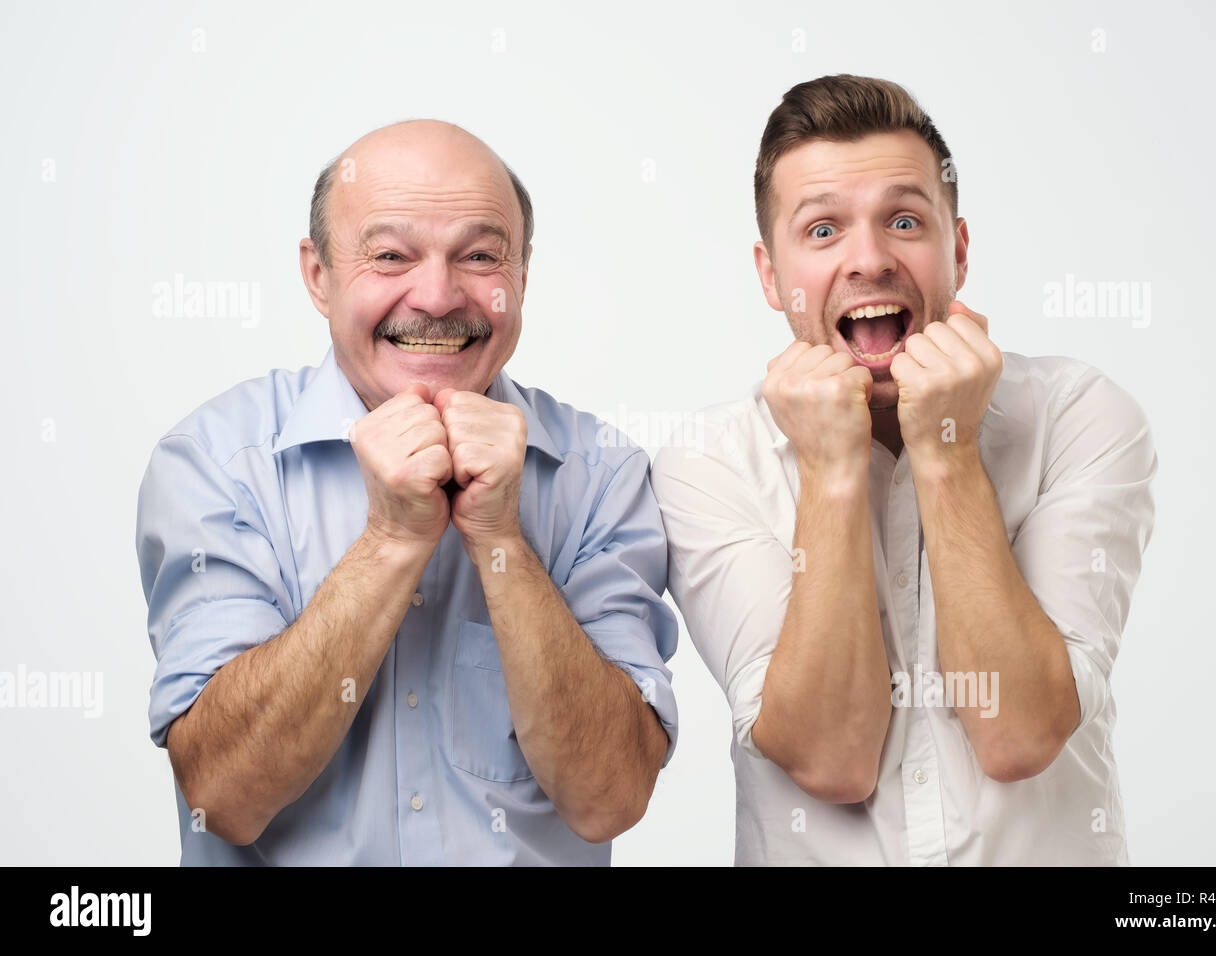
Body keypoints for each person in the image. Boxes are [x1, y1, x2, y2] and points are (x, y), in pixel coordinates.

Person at [135, 120, 678, 865]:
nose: (436, 295)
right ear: (319, 275)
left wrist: (501, 543)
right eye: (391, 256)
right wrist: (392, 542)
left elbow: (610, 796)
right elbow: (221, 796)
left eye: (479, 255)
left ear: (520, 277)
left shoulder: (601, 473)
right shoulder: (214, 464)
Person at [650, 75, 1157, 865]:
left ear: (957, 247)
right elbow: (830, 759)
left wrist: (947, 450)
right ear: (769, 273)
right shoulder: (708, 463)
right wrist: (830, 467)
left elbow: (1019, 734)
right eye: (822, 231)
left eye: (905, 220)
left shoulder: (1079, 416)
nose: (870, 260)